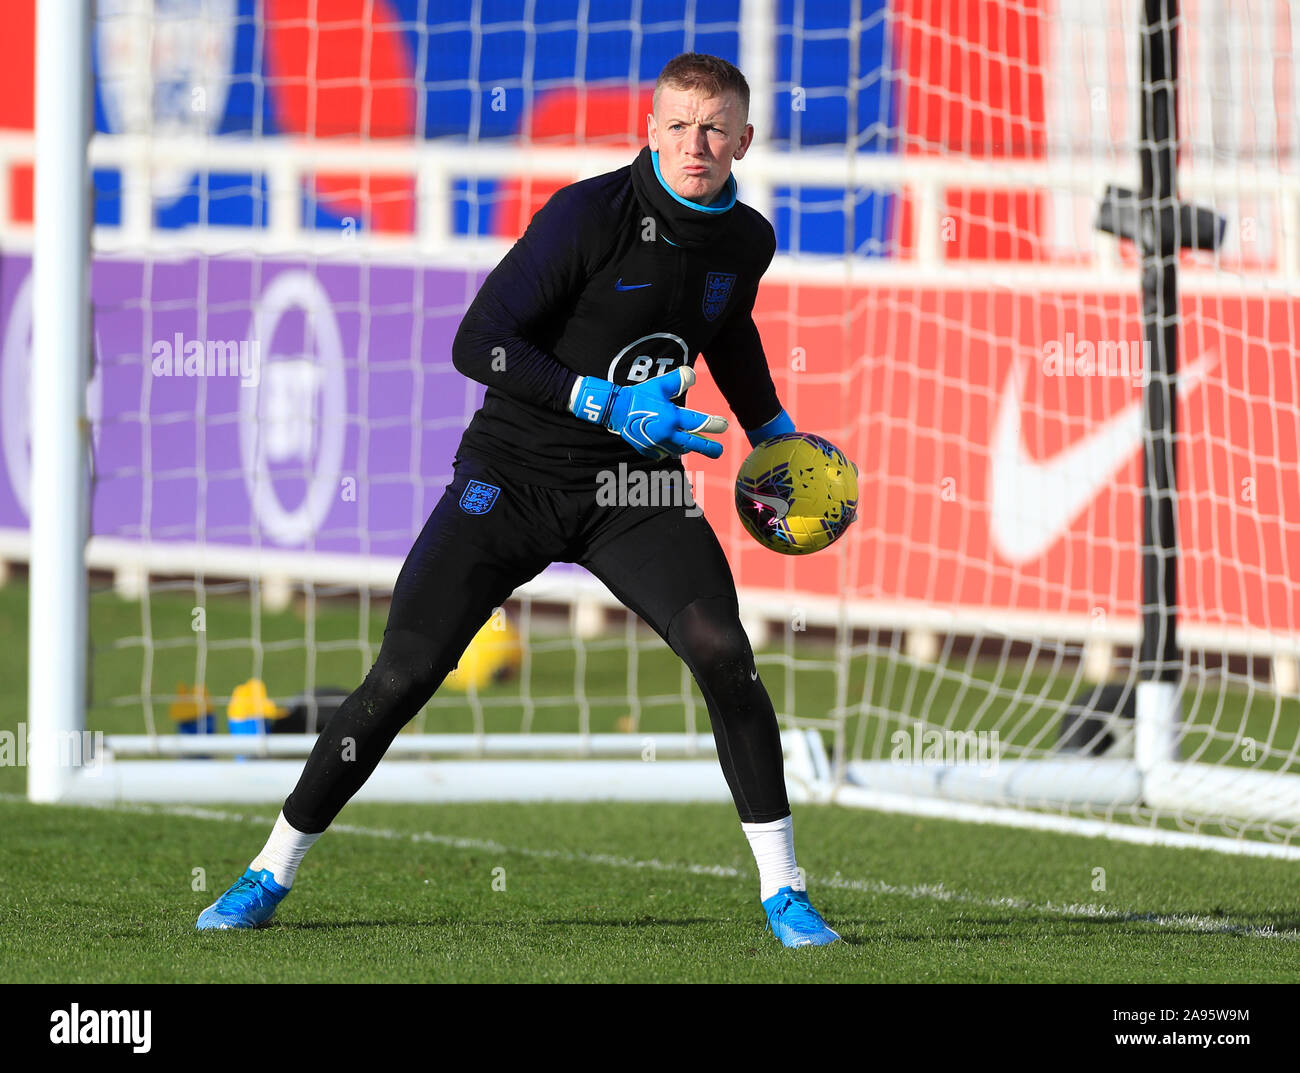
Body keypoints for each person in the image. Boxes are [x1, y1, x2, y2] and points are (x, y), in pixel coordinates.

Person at [197, 52, 839, 947]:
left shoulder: (747, 240)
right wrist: (603, 400)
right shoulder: (588, 214)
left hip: (633, 487)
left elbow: (724, 323)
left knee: (723, 650)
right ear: (648, 130)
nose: (697, 142)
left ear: (744, 138)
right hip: (513, 475)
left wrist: (772, 426)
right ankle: (271, 867)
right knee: (405, 672)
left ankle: (786, 892)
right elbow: (479, 341)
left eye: (715, 126)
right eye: (679, 124)